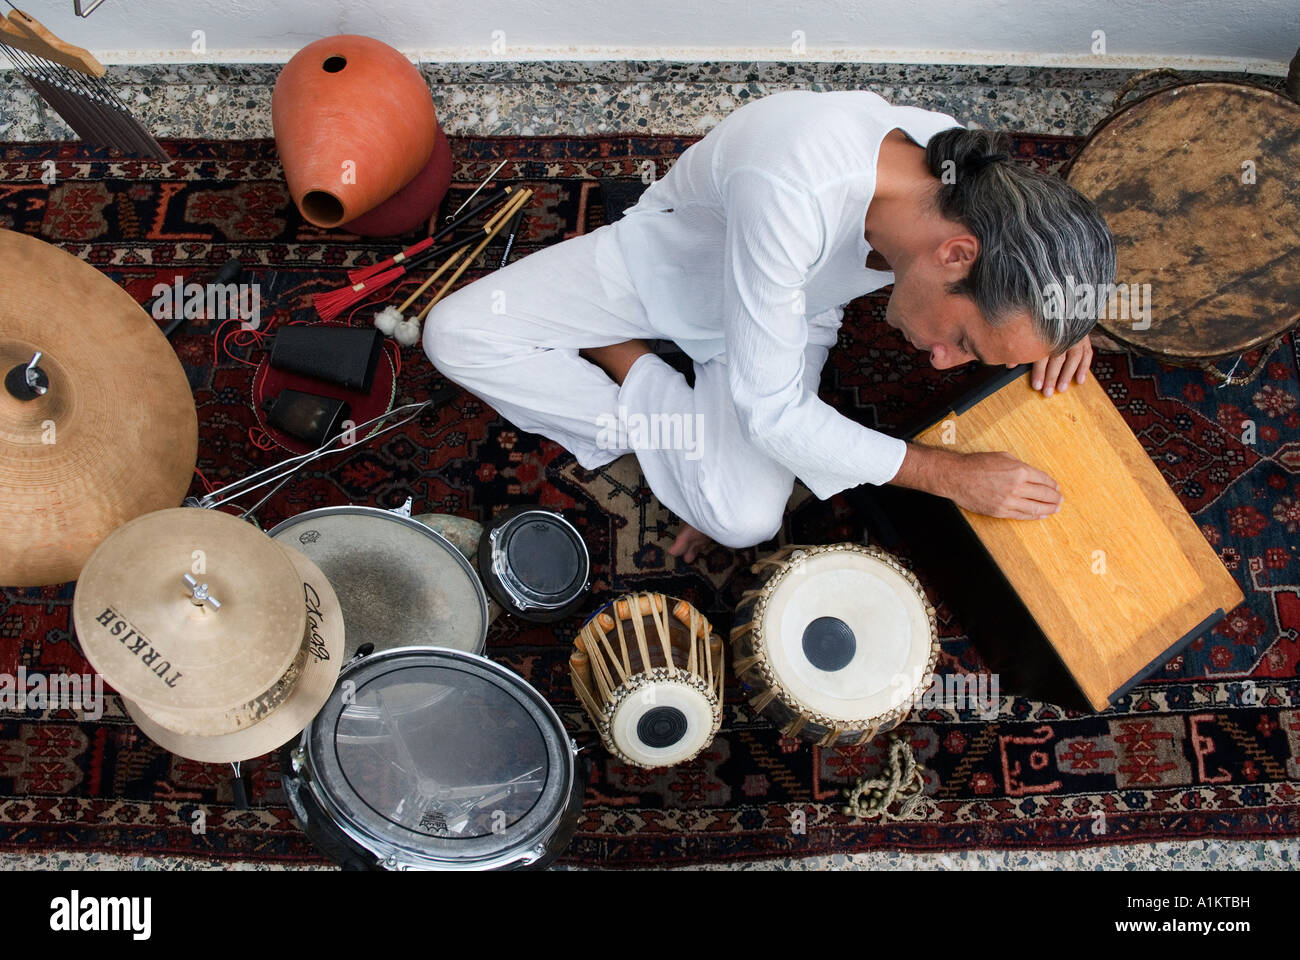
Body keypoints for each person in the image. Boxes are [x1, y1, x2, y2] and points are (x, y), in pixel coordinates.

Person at [424, 90, 1116, 562]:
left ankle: (630, 363)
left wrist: (1059, 316)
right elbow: (774, 414)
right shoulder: (795, 180)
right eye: (964, 341)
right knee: (454, 334)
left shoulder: (971, 184)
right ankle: (619, 344)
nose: (942, 362)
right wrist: (946, 475)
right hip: (663, 272)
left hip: (797, 314)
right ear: (956, 254)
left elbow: (1040, 230)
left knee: (743, 519)